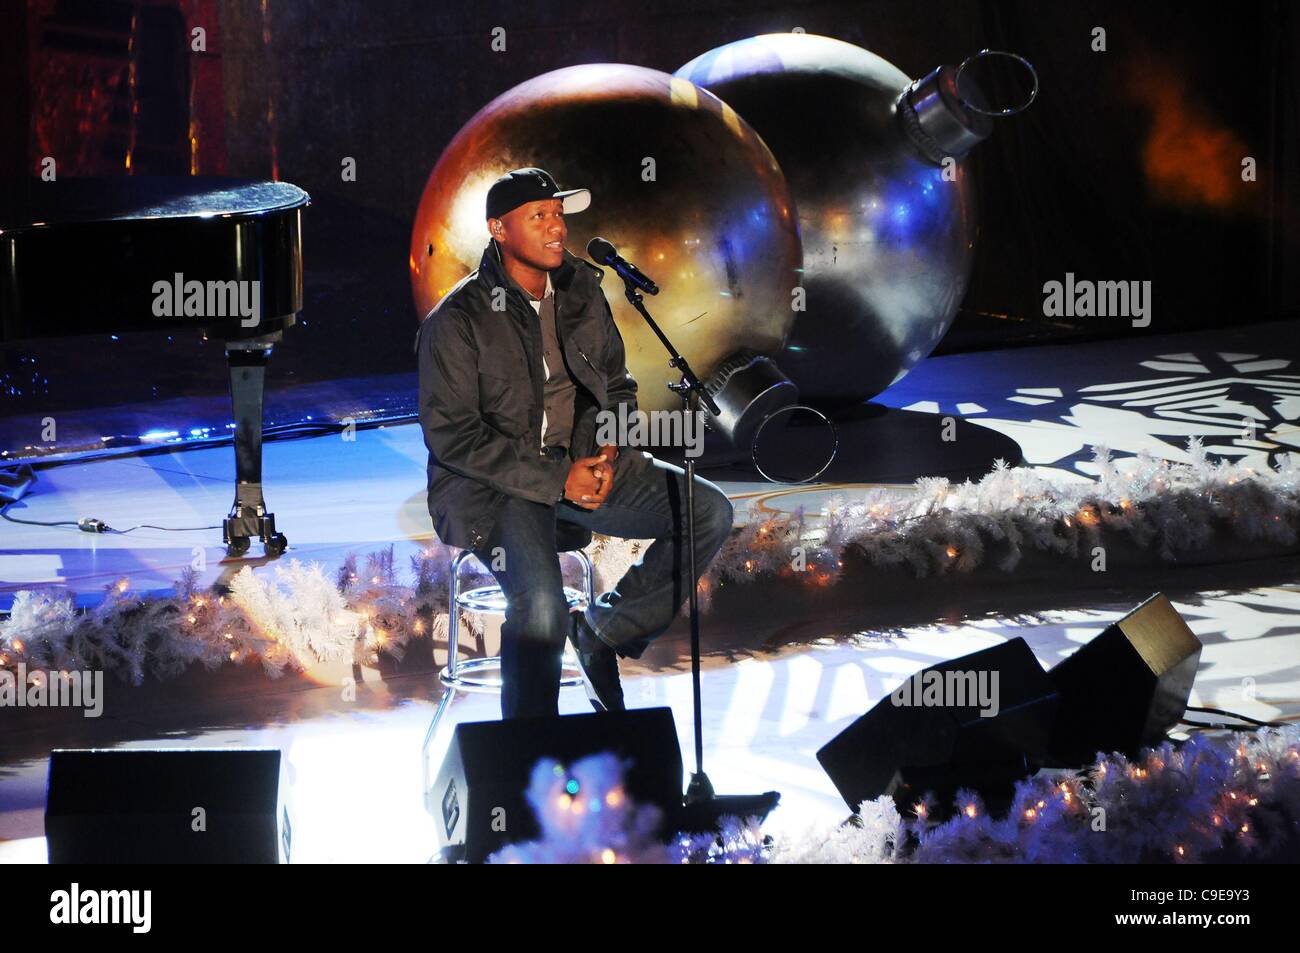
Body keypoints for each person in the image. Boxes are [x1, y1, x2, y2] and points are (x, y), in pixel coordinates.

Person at [416, 167, 734, 719]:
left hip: (584, 463)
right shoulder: (459, 319)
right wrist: (557, 479)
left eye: (559, 215)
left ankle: (603, 633)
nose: (556, 228)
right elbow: (454, 437)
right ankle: (530, 753)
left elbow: (616, 386)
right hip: (496, 487)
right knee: (540, 608)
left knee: (706, 511)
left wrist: (607, 453)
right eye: (538, 217)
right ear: (498, 229)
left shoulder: (583, 288)